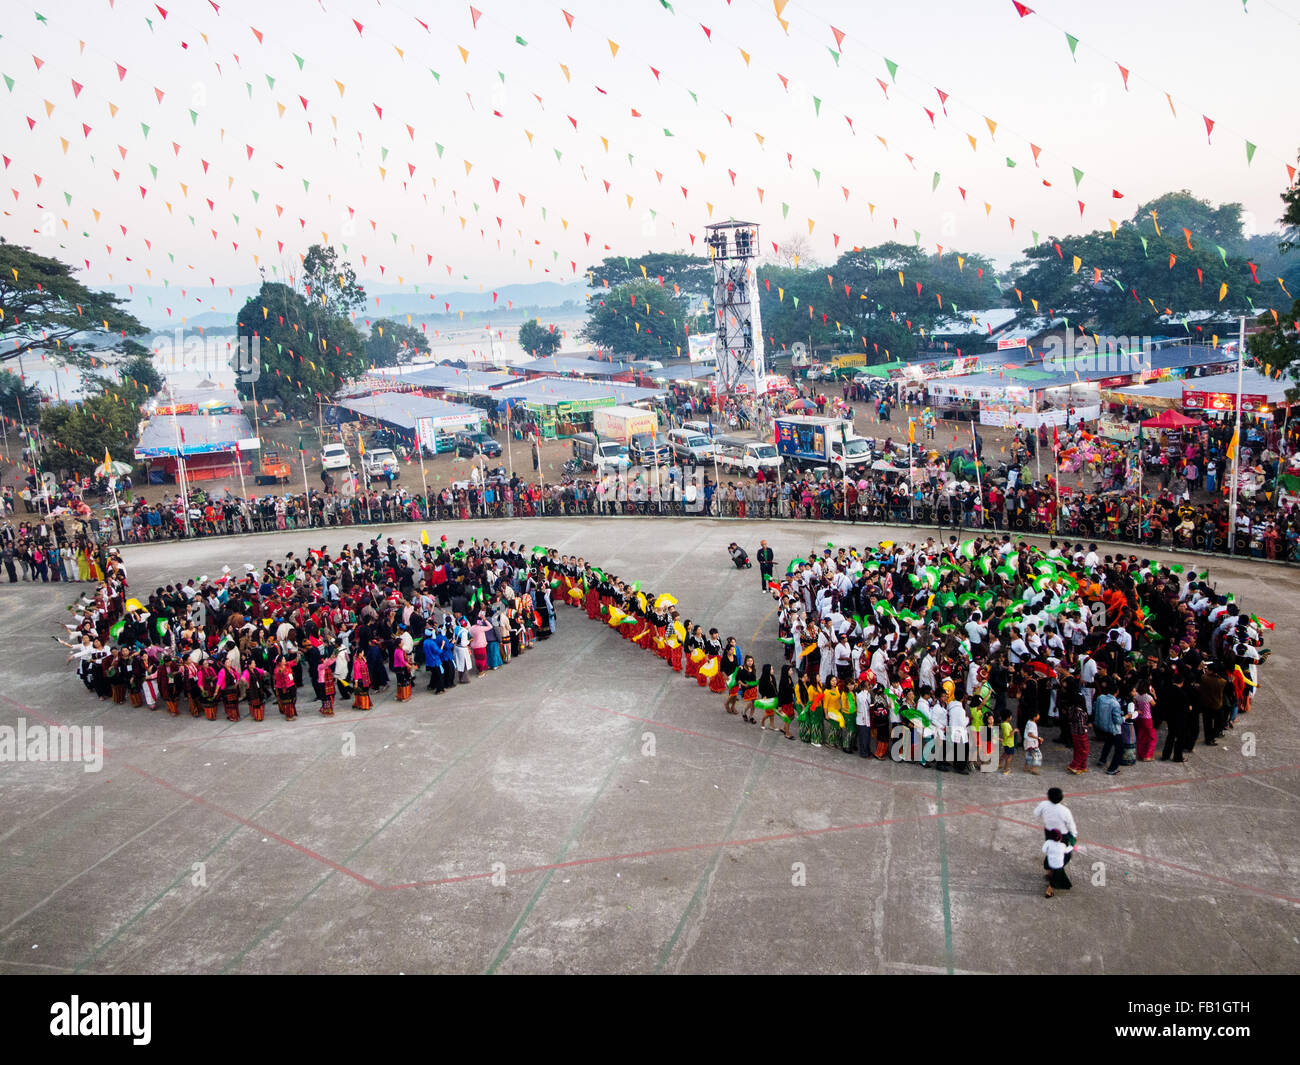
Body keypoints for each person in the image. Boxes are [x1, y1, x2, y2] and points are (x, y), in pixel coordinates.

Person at [1093, 678, 1124, 776]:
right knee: (1120, 749)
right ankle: (1112, 768)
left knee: (1109, 742)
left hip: (1102, 726)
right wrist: (1126, 717)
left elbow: (1095, 709)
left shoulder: (1100, 698)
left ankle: (1102, 760)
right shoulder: (1115, 703)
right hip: (1114, 729)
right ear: (1116, 692)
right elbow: (1118, 720)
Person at [1042, 828, 1075, 898]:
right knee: (1057, 877)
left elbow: (1044, 850)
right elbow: (1067, 850)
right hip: (1058, 865)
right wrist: (1072, 845)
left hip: (1050, 862)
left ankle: (1050, 874)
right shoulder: (1062, 846)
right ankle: (1049, 891)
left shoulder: (1048, 842)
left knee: (1050, 866)